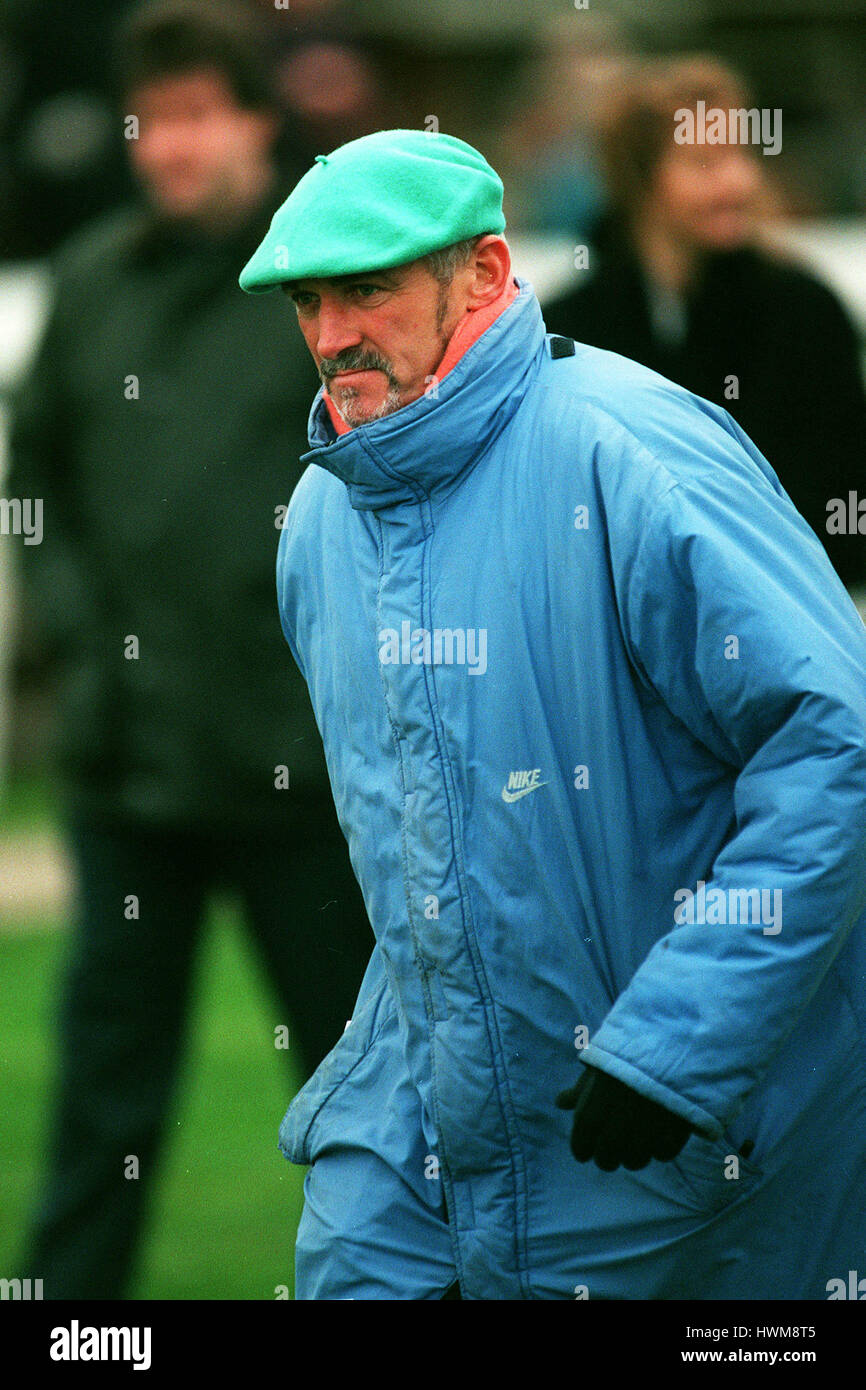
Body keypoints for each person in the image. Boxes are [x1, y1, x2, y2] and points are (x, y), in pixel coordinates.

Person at [238, 127, 866, 1301]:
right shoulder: (320, 518)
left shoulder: (634, 453)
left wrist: (680, 1037)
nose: (329, 336)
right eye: (306, 301)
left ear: (480, 274)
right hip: (415, 1123)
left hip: (680, 1129)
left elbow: (835, 748)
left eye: (366, 289)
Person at [8, 0, 372, 1300]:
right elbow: (32, 469)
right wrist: (76, 635)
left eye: (196, 117)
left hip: (305, 779)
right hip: (127, 776)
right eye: (151, 121)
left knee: (360, 1094)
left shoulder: (322, 284)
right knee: (103, 1101)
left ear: (256, 124)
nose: (169, 147)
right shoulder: (93, 279)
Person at [544, 56, 866, 589]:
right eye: (704, 162)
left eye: (741, 154)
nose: (738, 180)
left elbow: (843, 497)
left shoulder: (804, 309)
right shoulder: (568, 326)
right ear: (641, 177)